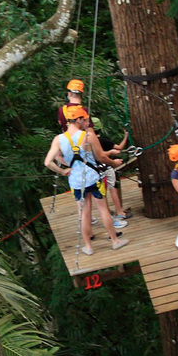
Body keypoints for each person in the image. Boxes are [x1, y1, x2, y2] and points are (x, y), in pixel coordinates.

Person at [44, 105, 126, 256]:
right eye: (85, 119)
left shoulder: (58, 139)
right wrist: (114, 163)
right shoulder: (87, 135)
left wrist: (63, 171)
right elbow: (101, 156)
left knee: (83, 212)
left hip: (75, 182)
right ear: (78, 120)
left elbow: (48, 162)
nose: (87, 122)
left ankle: (88, 247)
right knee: (102, 209)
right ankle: (115, 241)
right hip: (92, 178)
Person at [85, 113, 129, 228]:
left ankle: (109, 213)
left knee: (102, 194)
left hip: (95, 171)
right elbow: (119, 148)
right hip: (107, 168)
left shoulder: (87, 143)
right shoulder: (104, 141)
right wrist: (126, 136)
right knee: (112, 189)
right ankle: (120, 212)